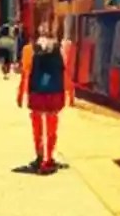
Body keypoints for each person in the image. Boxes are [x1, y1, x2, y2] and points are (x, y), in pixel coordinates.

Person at [15, 23, 75, 174]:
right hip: (55, 92)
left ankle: (40, 156)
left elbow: (26, 73)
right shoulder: (60, 49)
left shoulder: (29, 49)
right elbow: (65, 73)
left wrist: (21, 92)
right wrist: (70, 93)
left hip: (36, 92)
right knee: (51, 127)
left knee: (37, 127)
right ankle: (48, 159)